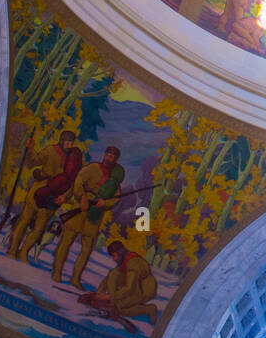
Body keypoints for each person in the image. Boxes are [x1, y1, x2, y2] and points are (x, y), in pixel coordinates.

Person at [52, 146, 125, 289]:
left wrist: (105, 203)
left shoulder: (115, 178)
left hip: (95, 215)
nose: (109, 158)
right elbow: (78, 182)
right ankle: (57, 273)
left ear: (116, 159)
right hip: (80, 208)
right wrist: (82, 196)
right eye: (108, 155)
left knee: (86, 250)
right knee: (66, 242)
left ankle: (75, 279)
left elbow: (116, 197)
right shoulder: (92, 168)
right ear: (104, 155)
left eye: (113, 157)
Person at [9, 130, 78, 261]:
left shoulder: (73, 160)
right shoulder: (51, 151)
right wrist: (30, 148)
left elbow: (73, 182)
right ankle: (12, 249)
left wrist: (65, 196)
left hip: (54, 197)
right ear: (62, 141)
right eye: (67, 143)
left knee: (39, 229)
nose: (69, 146)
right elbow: (34, 161)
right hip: (39, 189)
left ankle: (23, 252)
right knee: (24, 220)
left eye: (71, 143)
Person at [78, 241, 159, 324]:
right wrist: (98, 294)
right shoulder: (124, 259)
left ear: (120, 252)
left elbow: (129, 288)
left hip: (144, 290)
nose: (114, 259)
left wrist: (109, 297)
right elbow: (110, 278)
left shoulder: (134, 264)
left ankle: (149, 309)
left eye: (114, 256)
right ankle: (112, 301)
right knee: (114, 273)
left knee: (120, 309)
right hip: (134, 285)